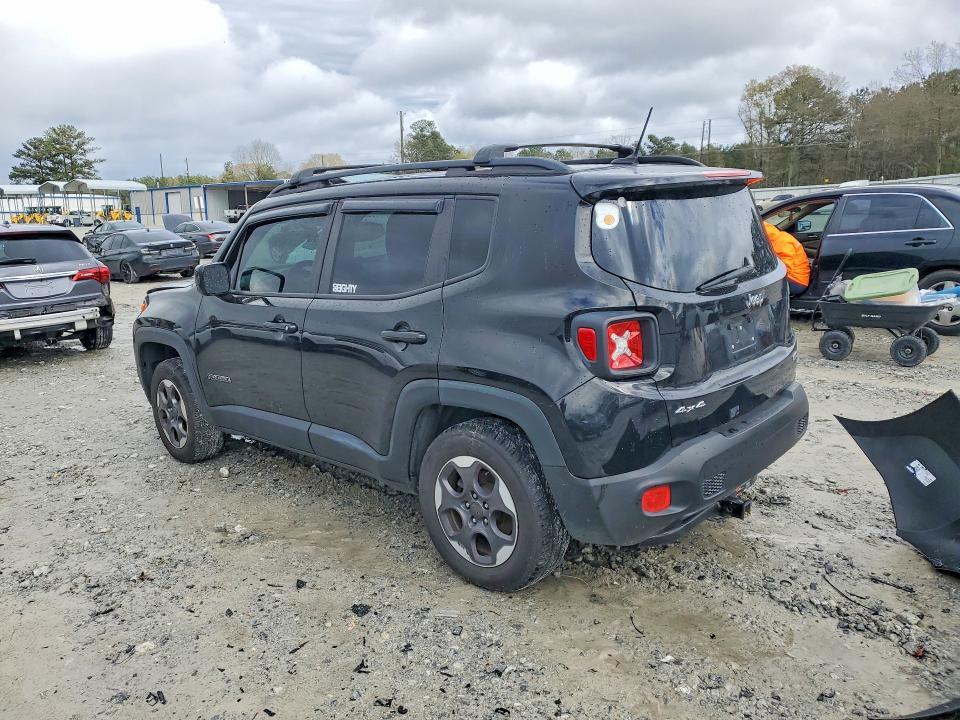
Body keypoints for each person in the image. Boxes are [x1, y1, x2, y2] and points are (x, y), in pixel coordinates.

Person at [763, 221, 810, 296]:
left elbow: (783, 269)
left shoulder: (781, 242)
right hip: (796, 278)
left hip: (796, 281)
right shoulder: (780, 238)